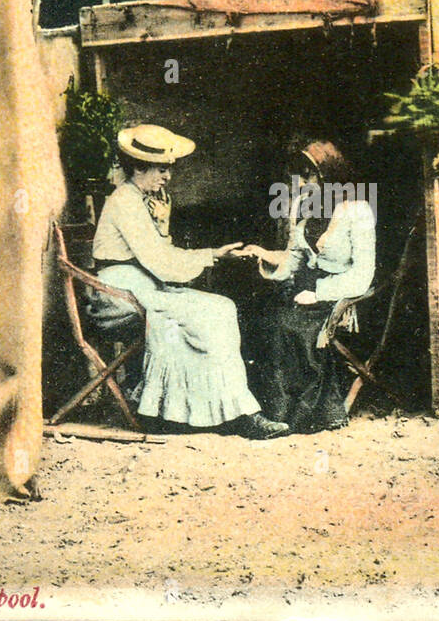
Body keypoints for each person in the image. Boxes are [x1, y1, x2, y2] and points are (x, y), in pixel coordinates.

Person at [86, 124, 289, 439]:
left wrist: (214, 253)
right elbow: (163, 264)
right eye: (161, 169)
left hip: (142, 287)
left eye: (169, 169)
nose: (168, 177)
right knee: (204, 313)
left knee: (220, 307)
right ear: (138, 167)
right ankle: (237, 416)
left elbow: (162, 255)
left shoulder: (141, 200)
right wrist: (212, 256)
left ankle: (214, 411)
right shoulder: (125, 201)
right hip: (117, 295)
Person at [240, 142, 376, 433]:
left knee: (286, 326)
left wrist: (319, 293)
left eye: (308, 176)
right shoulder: (304, 209)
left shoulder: (358, 211)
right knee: (261, 320)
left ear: (329, 175)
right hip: (302, 289)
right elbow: (297, 258)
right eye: (298, 176)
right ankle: (268, 414)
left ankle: (298, 416)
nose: (301, 183)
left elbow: (363, 275)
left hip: (337, 296)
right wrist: (265, 255)